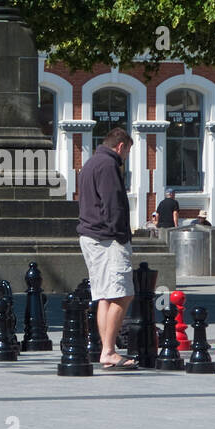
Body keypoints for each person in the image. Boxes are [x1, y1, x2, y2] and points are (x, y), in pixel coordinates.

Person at [77, 127, 136, 369]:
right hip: (108, 238)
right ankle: (109, 350)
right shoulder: (109, 165)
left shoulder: (91, 163)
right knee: (123, 294)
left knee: (103, 295)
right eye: (128, 152)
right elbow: (113, 204)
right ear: (120, 146)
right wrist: (121, 235)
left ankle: (105, 349)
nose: (126, 157)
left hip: (91, 235)